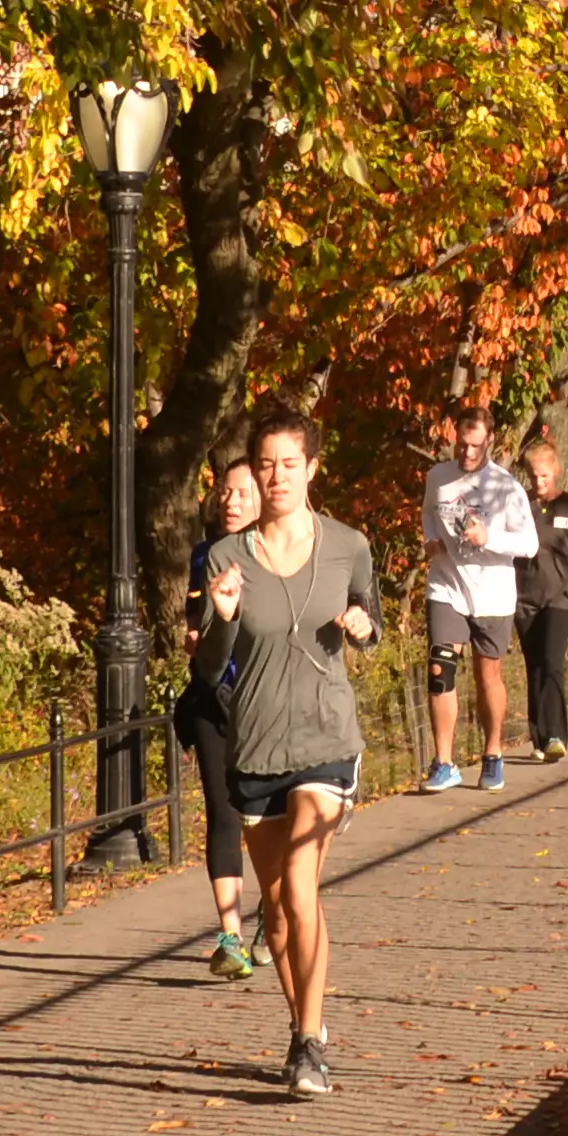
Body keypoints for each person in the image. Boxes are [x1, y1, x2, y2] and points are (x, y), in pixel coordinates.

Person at [195, 420, 379, 1095]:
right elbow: (212, 669)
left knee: (302, 880)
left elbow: (371, 622)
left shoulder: (348, 546)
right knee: (274, 911)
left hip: (328, 742)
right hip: (257, 744)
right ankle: (307, 1024)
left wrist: (362, 627)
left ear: (312, 468)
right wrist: (219, 617)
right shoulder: (226, 557)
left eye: (290, 463)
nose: (277, 476)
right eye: (266, 465)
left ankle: (308, 1043)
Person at [416, 420, 537, 792]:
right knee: (440, 670)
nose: (467, 453)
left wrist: (490, 537)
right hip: (447, 586)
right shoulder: (438, 476)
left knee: (488, 678)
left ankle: (492, 753)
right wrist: (431, 540)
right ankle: (444, 763)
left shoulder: (506, 486)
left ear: (489, 443)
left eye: (475, 446)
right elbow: (427, 515)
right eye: (462, 444)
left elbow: (529, 544)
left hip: (492, 593)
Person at [185, 456, 270, 981]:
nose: (231, 501)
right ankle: (230, 937)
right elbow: (192, 620)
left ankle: (274, 914)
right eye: (225, 493)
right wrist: (193, 636)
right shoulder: (205, 556)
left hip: (265, 705)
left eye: (242, 493)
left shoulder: (281, 558)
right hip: (213, 699)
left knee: (266, 821)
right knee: (223, 813)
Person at [515, 428, 568, 762]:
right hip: (525, 596)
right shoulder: (522, 507)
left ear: (555, 472)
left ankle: (558, 735)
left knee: (552, 662)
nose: (539, 482)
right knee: (534, 666)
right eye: (534, 476)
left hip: (561, 596)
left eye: (544, 476)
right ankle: (539, 737)